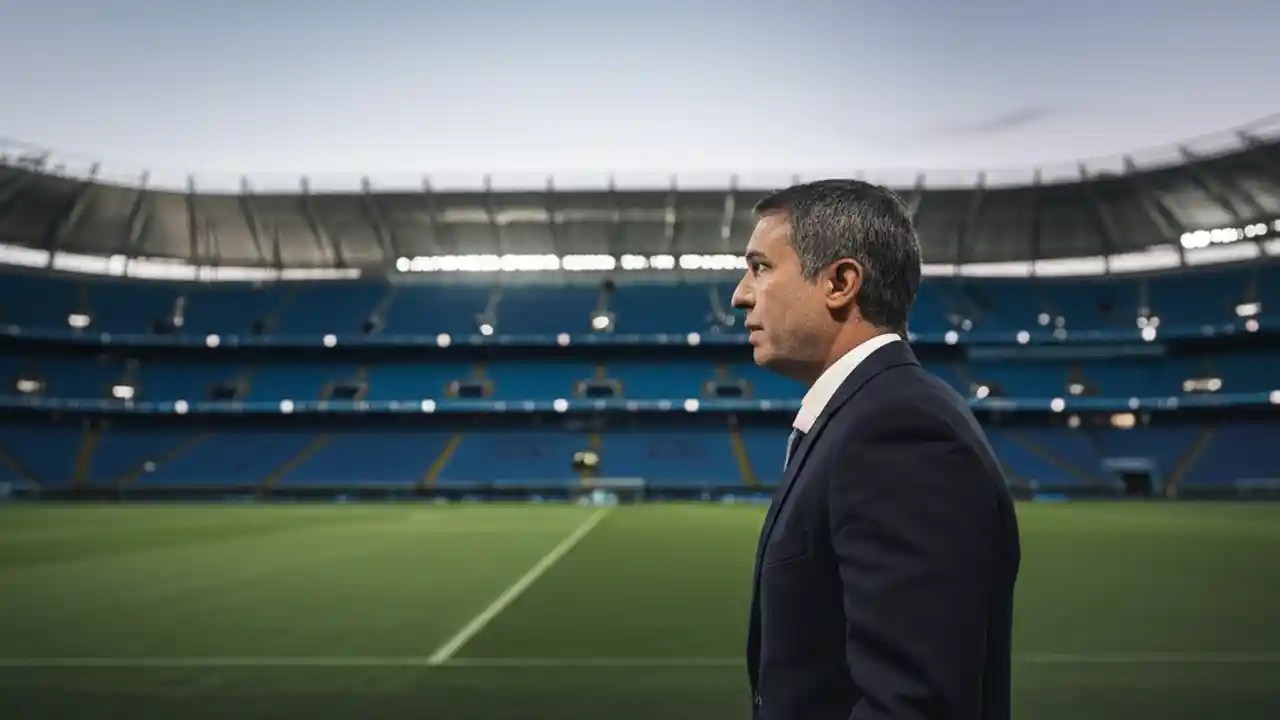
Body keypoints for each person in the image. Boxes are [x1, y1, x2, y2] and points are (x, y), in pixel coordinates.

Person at [733, 179, 1021, 720]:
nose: (741, 293)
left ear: (840, 282)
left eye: (761, 268)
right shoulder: (867, 415)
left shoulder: (896, 429)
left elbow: (913, 705)